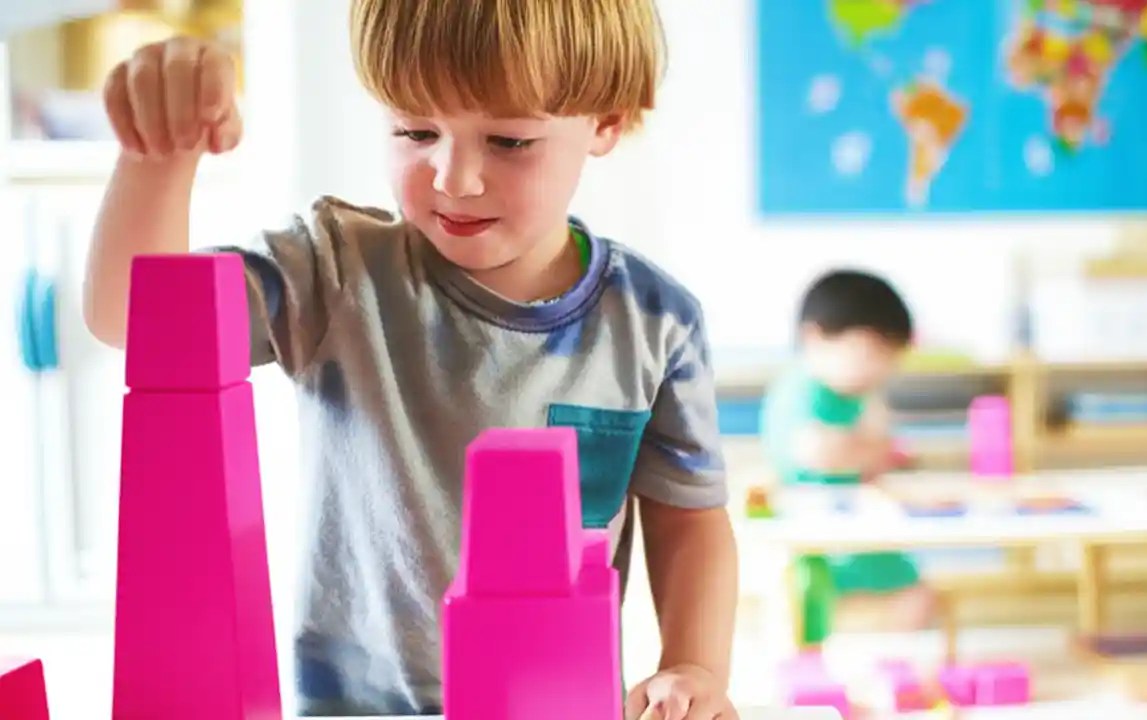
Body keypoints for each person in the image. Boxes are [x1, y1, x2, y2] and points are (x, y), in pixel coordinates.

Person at [82, 1, 739, 717]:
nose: (454, 178)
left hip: (554, 705)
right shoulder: (332, 272)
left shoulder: (654, 323)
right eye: (414, 130)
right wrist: (157, 155)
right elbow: (134, 321)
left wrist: (694, 665)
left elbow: (689, 519)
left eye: (509, 141)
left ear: (607, 121)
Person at [760, 270, 934, 648]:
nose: (879, 369)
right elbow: (822, 452)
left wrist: (871, 449)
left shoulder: (858, 396)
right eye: (869, 353)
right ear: (815, 337)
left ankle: (885, 673)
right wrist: (874, 449)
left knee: (916, 595)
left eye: (890, 358)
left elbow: (872, 455)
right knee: (806, 605)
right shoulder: (799, 390)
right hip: (815, 541)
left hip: (856, 532)